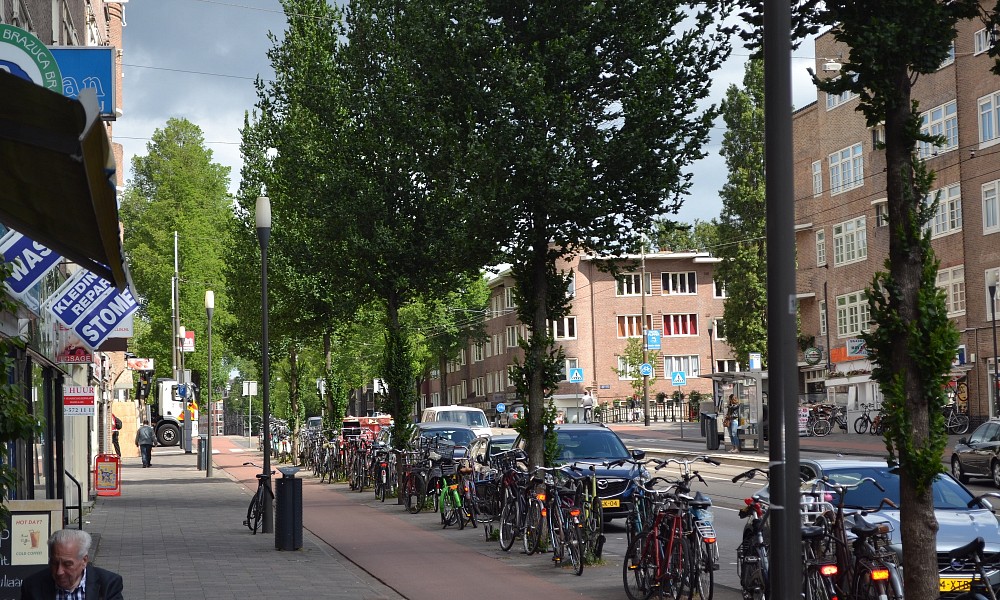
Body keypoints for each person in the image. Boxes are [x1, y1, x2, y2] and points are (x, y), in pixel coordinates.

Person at [19, 529, 123, 600]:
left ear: (84, 561)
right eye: (54, 563)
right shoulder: (32, 586)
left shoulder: (108, 584)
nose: (59, 572)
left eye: (67, 564)